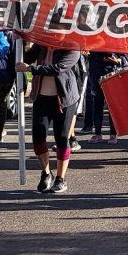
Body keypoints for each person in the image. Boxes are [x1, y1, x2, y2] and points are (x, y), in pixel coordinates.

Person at [18, 44, 82, 194]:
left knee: (62, 138)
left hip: (64, 100)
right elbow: (26, 57)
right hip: (41, 98)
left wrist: (30, 69)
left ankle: (61, 178)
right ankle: (46, 173)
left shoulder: (73, 47)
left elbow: (57, 69)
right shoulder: (42, 44)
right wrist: (21, 41)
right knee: (38, 138)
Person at [87, 52, 127, 144]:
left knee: (112, 108)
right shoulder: (96, 45)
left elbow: (125, 58)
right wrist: (102, 59)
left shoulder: (116, 42)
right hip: (97, 78)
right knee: (98, 107)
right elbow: (91, 59)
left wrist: (117, 60)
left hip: (112, 77)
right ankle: (98, 134)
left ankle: (113, 135)